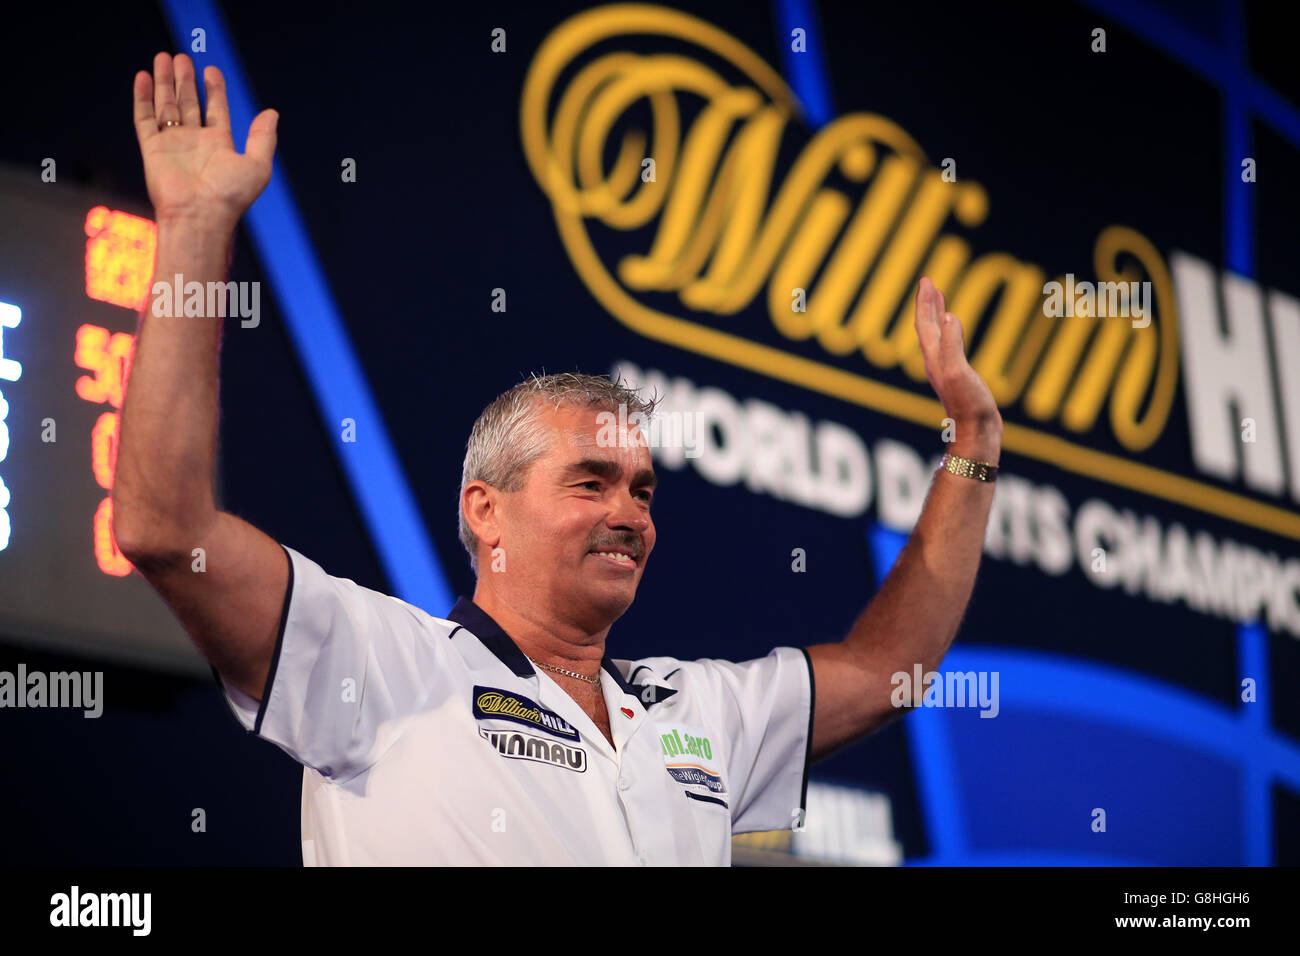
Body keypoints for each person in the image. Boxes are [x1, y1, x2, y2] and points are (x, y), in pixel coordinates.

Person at [115, 53, 1004, 865]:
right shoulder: (383, 663)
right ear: (485, 509)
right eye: (592, 481)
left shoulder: (699, 716)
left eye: (644, 490)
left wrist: (972, 449)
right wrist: (195, 227)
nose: (631, 514)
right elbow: (162, 530)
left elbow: (895, 668)